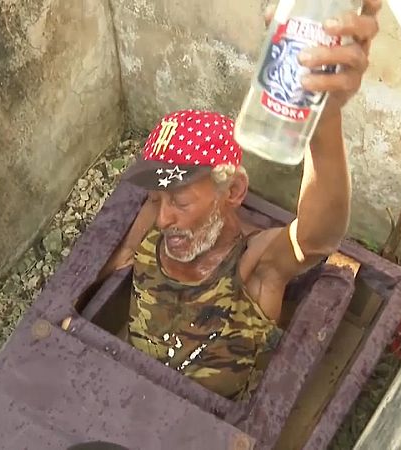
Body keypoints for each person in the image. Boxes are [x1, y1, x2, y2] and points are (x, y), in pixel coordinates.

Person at [97, 0, 382, 400]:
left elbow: (316, 238)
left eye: (179, 201)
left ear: (232, 191)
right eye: (155, 198)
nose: (163, 219)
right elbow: (119, 259)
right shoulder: (158, 221)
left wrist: (325, 116)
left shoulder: (255, 265)